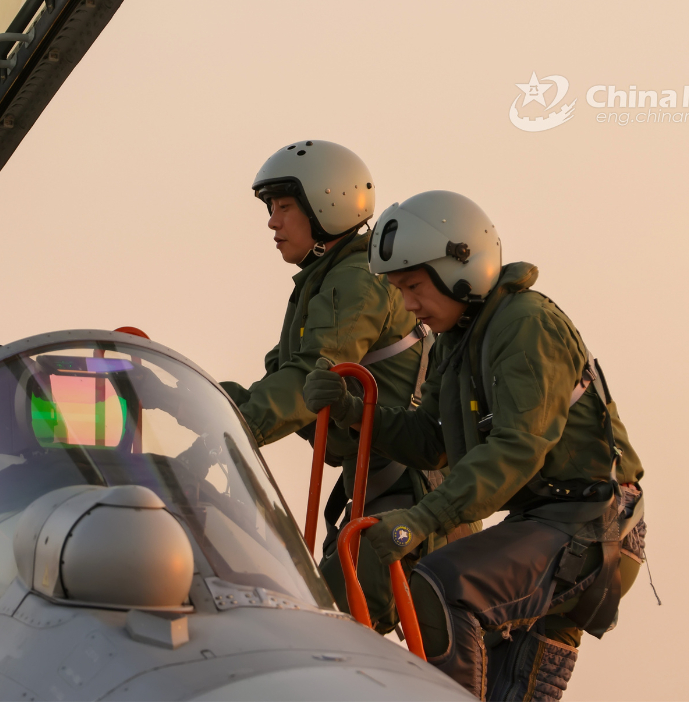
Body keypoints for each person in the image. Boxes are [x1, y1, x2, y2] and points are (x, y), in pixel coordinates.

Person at [302, 190, 648, 701]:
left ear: (459, 266)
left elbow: (517, 448)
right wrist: (354, 412)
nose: (409, 304)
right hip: (547, 525)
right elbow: (431, 441)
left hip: (591, 526)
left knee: (444, 583)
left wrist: (421, 520)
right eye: (399, 289)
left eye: (414, 286)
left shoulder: (525, 324)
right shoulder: (458, 340)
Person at [220, 141, 471, 632]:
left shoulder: (356, 280)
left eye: (284, 207)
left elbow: (306, 380)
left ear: (325, 208)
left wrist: (228, 431)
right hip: (379, 491)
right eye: (271, 209)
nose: (272, 222)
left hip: (407, 498)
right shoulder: (327, 280)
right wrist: (193, 403)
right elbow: (279, 386)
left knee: (318, 636)